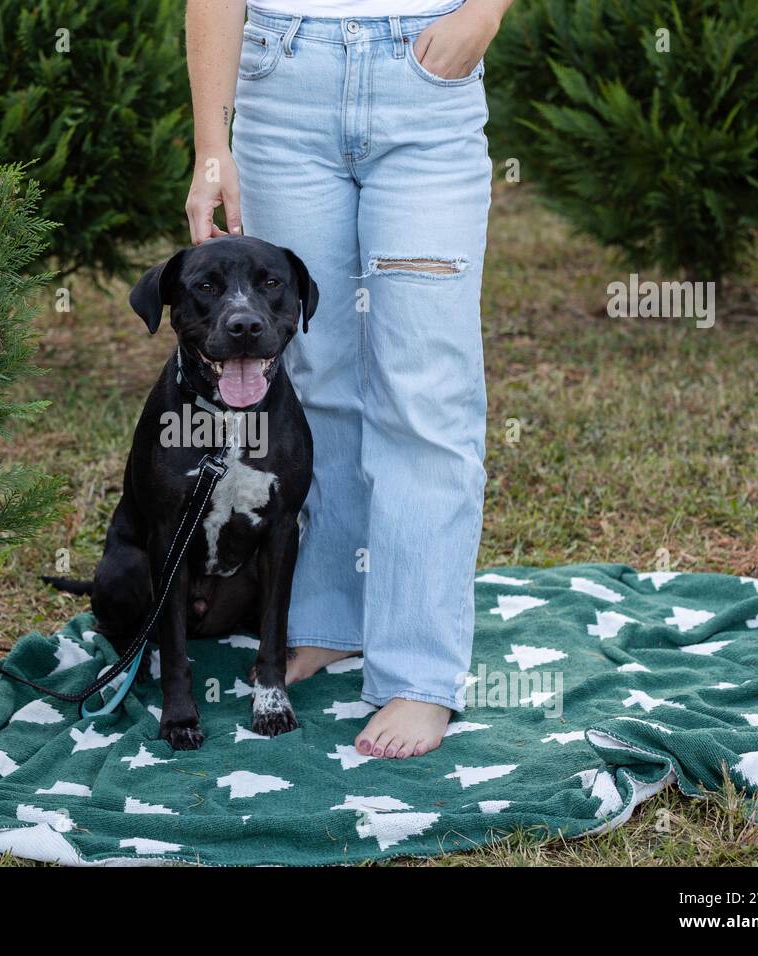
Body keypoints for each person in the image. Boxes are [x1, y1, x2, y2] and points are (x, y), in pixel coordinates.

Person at [184, 0, 512, 758]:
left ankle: (421, 675)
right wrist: (211, 146)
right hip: (280, 80)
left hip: (425, 79)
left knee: (424, 395)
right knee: (312, 374)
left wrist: (484, 15)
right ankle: (330, 620)